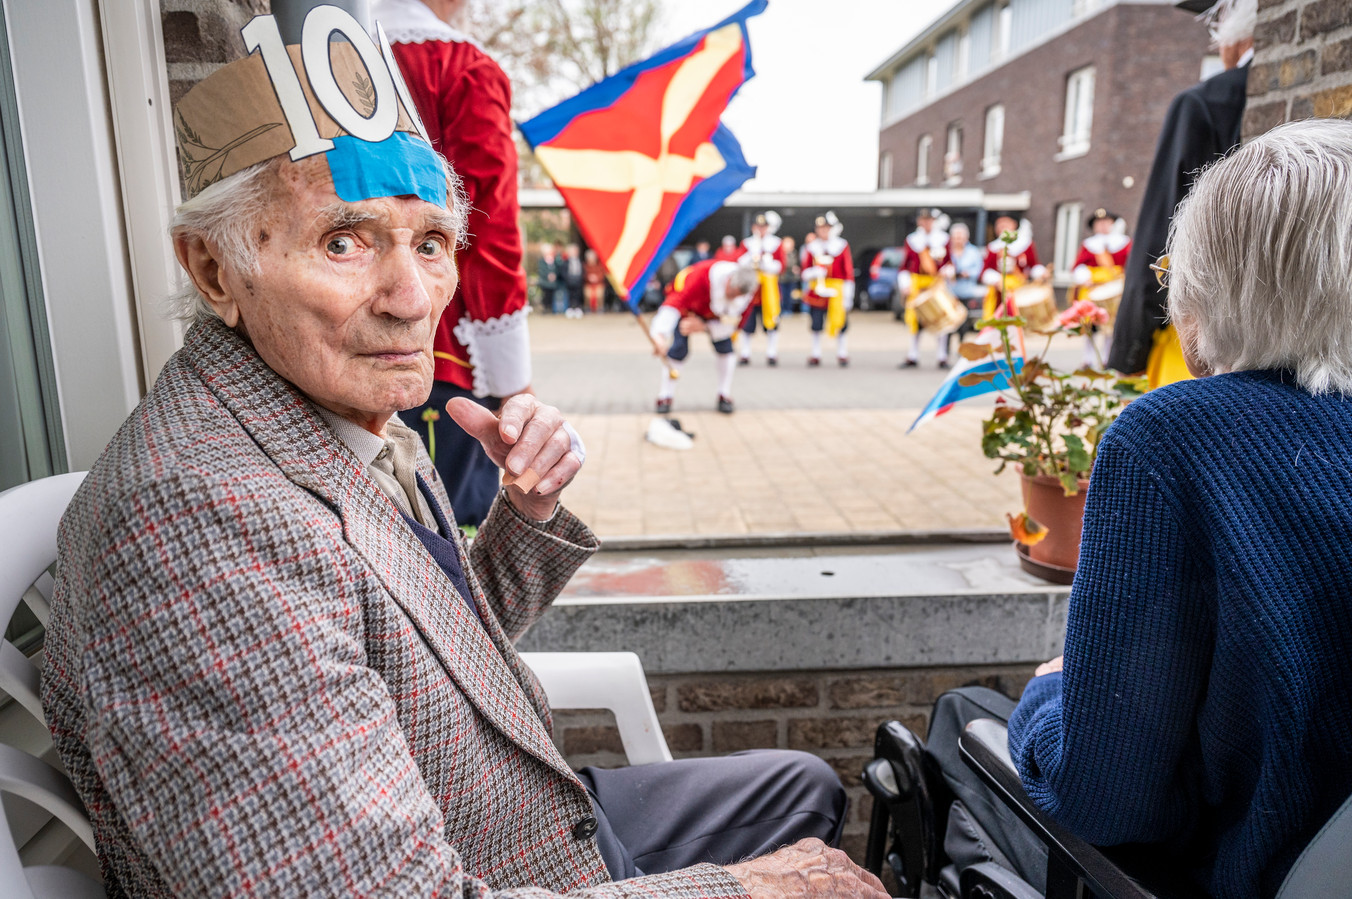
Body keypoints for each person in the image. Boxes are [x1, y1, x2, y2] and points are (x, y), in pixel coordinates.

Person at [42, 13, 888, 898]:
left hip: (502, 812)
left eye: (432, 243)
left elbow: (413, 643)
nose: (413, 300)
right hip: (489, 859)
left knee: (805, 785)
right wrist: (751, 891)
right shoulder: (198, 528)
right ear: (215, 270)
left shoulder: (325, 403)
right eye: (345, 240)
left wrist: (523, 516)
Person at [907, 119, 1352, 899]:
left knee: (959, 718)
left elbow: (1104, 797)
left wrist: (1052, 691)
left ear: (1214, 279)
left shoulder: (1175, 437)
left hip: (1225, 875)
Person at [377, 0, 532, 528]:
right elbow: (490, 228)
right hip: (445, 353)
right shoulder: (464, 69)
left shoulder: (325, 59)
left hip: (339, 345)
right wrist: (513, 378)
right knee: (451, 530)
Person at [1108, 0, 1254, 387]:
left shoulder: (1204, 104)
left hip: (1204, 337)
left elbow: (1164, 233)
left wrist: (1130, 346)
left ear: (1234, 34)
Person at [650, 260, 761, 414]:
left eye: (738, 296)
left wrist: (704, 326)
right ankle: (665, 396)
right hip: (687, 311)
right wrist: (660, 336)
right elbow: (675, 302)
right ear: (729, 280)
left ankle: (724, 394)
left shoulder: (746, 295)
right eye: (732, 293)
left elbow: (736, 324)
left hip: (716, 320)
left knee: (726, 350)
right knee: (678, 350)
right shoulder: (700, 276)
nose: (734, 298)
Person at [1070, 209, 1131, 367]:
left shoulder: (1124, 243)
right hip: (1092, 291)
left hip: (1114, 291)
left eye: (1106, 222)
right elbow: (1078, 266)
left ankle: (1106, 358)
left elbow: (1130, 265)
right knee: (1090, 326)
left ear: (1112, 224)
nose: (1103, 226)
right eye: (1099, 223)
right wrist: (1084, 277)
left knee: (1110, 327)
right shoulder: (1088, 245)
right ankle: (1088, 359)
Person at [899, 209, 951, 369]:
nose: (926, 223)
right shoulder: (913, 241)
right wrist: (905, 284)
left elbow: (949, 262)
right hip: (918, 283)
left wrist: (947, 271)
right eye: (924, 220)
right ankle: (913, 354)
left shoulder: (943, 239)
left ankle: (942, 355)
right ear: (919, 222)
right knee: (915, 320)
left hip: (936, 283)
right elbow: (905, 265)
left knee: (940, 317)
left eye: (929, 220)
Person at [801, 213, 855, 367]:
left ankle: (842, 352)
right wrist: (814, 272)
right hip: (817, 290)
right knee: (816, 322)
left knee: (840, 322)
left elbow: (848, 271)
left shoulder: (841, 246)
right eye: (820, 228)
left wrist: (848, 295)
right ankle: (816, 353)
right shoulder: (811, 247)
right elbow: (804, 271)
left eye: (826, 228)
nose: (823, 231)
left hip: (837, 290)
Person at [738, 211, 787, 366]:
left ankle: (771, 352)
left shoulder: (776, 243)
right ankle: (745, 352)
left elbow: (781, 266)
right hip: (751, 291)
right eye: (758, 226)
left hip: (769, 290)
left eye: (764, 226)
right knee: (747, 324)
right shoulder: (747, 243)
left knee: (772, 322)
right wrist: (751, 258)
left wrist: (767, 264)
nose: (761, 230)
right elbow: (739, 263)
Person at [979, 215, 1047, 320]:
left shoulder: (1025, 245)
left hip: (1020, 289)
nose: (1002, 227)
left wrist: (1040, 273)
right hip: (999, 291)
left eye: (1005, 223)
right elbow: (985, 271)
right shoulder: (993, 248)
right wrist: (995, 279)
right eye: (999, 224)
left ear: (1014, 225)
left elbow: (1033, 265)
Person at [939, 222, 985, 354]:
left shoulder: (973, 252)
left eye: (961, 237)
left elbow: (978, 270)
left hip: (966, 291)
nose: (958, 240)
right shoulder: (946, 252)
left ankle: (961, 348)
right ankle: (944, 352)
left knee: (963, 322)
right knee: (948, 323)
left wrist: (968, 273)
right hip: (950, 292)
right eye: (956, 237)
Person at [779, 235, 802, 315]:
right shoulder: (781, 253)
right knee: (782, 295)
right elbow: (784, 264)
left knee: (790, 295)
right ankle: (781, 310)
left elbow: (795, 263)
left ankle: (788, 309)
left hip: (792, 278)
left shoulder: (794, 253)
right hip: (782, 278)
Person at [563, 243, 585, 318]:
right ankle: (570, 309)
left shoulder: (580, 261)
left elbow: (583, 271)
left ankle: (578, 308)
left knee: (578, 295)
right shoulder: (566, 262)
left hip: (578, 281)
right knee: (570, 295)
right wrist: (568, 279)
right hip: (569, 281)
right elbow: (564, 272)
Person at [583, 248, 607, 314]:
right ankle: (587, 307)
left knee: (599, 294)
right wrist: (589, 278)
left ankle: (600, 308)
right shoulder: (585, 266)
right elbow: (584, 275)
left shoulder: (599, 266)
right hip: (588, 284)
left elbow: (602, 274)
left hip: (598, 283)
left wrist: (596, 278)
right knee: (587, 294)